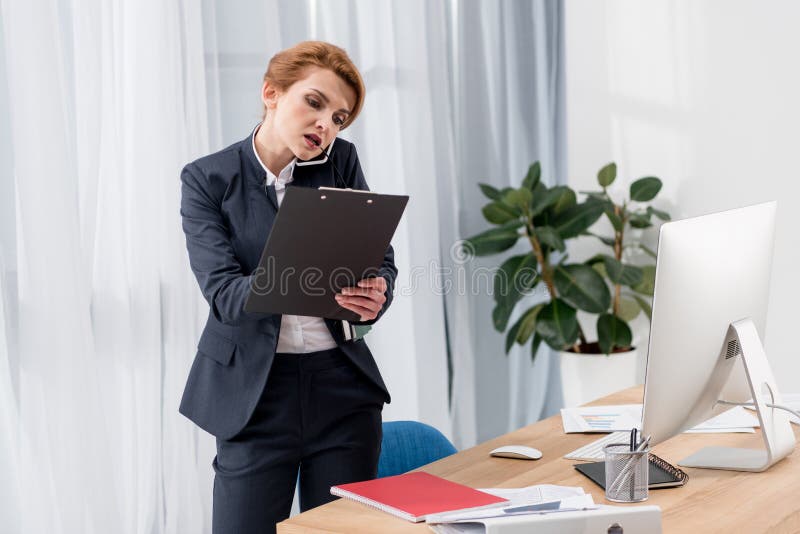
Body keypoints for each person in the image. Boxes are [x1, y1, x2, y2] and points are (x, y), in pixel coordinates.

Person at [178, 41, 396, 534]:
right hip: (254, 398)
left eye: (339, 118)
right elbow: (224, 296)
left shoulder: (340, 161)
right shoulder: (208, 179)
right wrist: (305, 265)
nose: (326, 126)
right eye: (314, 103)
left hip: (342, 391)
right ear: (271, 93)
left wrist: (376, 292)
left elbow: (380, 259)